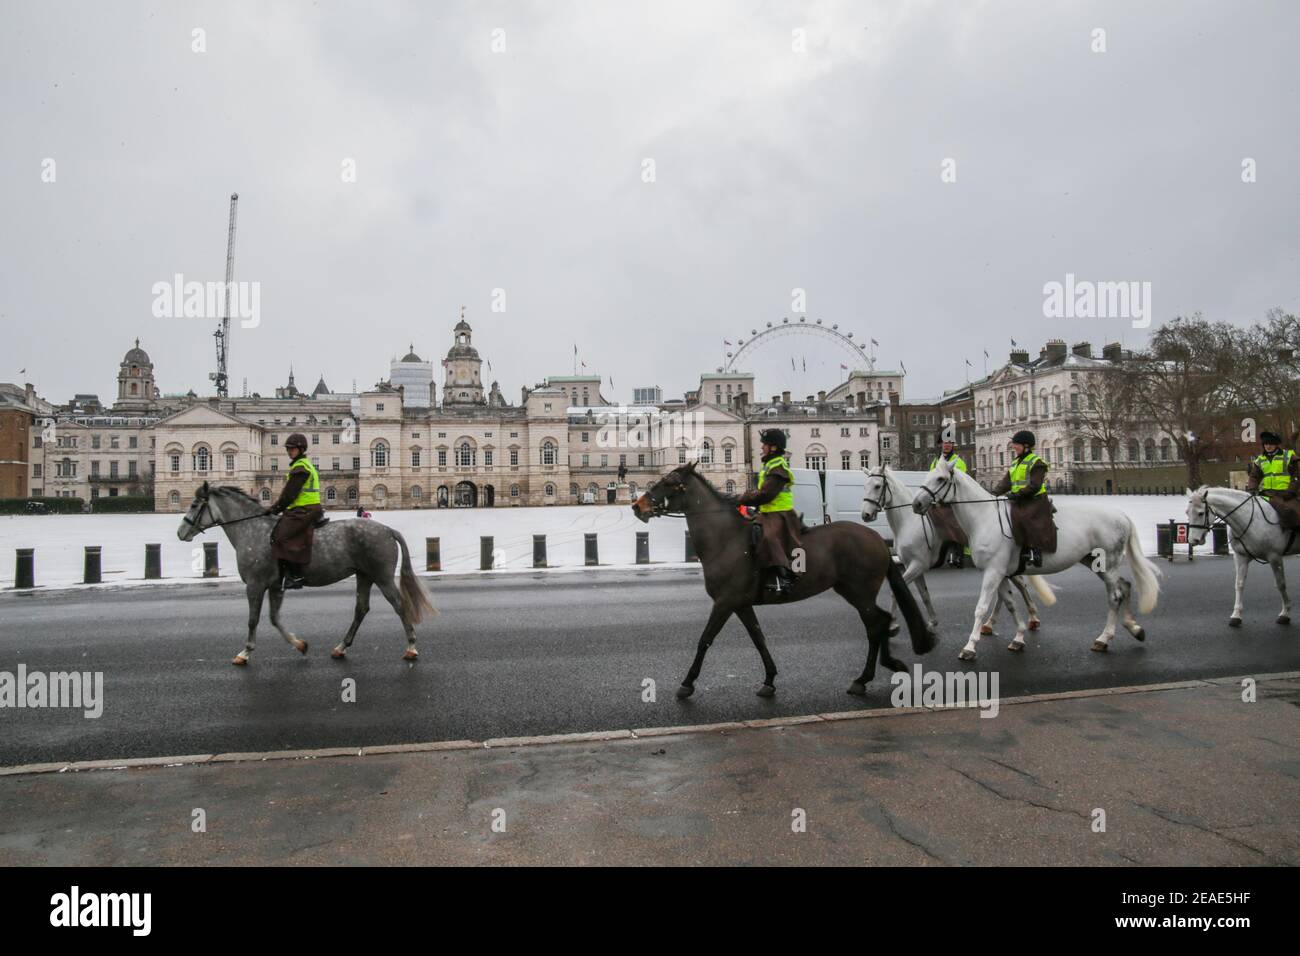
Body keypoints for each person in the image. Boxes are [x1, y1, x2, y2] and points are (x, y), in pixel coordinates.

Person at [737, 428, 802, 596]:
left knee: (769, 537)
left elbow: (766, 494)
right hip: (768, 511)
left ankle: (786, 577)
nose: (762, 448)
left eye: (764, 444)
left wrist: (741, 498)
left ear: (774, 447)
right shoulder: (769, 465)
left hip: (780, 513)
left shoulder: (778, 467)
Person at [992, 430, 1056, 568]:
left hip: (1035, 499)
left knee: (1026, 518)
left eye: (1016, 444)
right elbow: (1006, 482)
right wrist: (993, 494)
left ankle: (1036, 551)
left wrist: (1017, 494)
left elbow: (1035, 486)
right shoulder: (1015, 463)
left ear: (1026, 446)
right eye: (1014, 444)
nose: (1014, 446)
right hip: (1019, 499)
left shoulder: (1037, 463)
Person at [267, 433, 323, 590]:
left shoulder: (301, 468)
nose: (289, 452)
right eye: (288, 449)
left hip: (305, 508)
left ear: (301, 449)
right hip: (302, 508)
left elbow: (290, 495)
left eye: (292, 449)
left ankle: (295, 575)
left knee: (281, 536)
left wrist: (275, 508)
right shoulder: (301, 465)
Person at [1246, 430, 1299, 530]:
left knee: (1292, 512)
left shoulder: (1289, 456)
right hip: (1267, 494)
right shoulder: (1259, 460)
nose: (1268, 446)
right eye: (1266, 444)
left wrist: (1291, 491)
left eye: (1271, 443)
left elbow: (1297, 476)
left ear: (1276, 444)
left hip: (1286, 495)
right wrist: (1252, 489)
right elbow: (1254, 477)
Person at [929, 439, 969, 568]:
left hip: (954, 499)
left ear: (953, 445)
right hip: (939, 499)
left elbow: (958, 481)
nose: (947, 445)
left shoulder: (959, 462)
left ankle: (959, 553)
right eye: (944, 443)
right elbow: (931, 480)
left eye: (950, 443)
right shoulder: (935, 462)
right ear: (940, 444)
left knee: (955, 524)